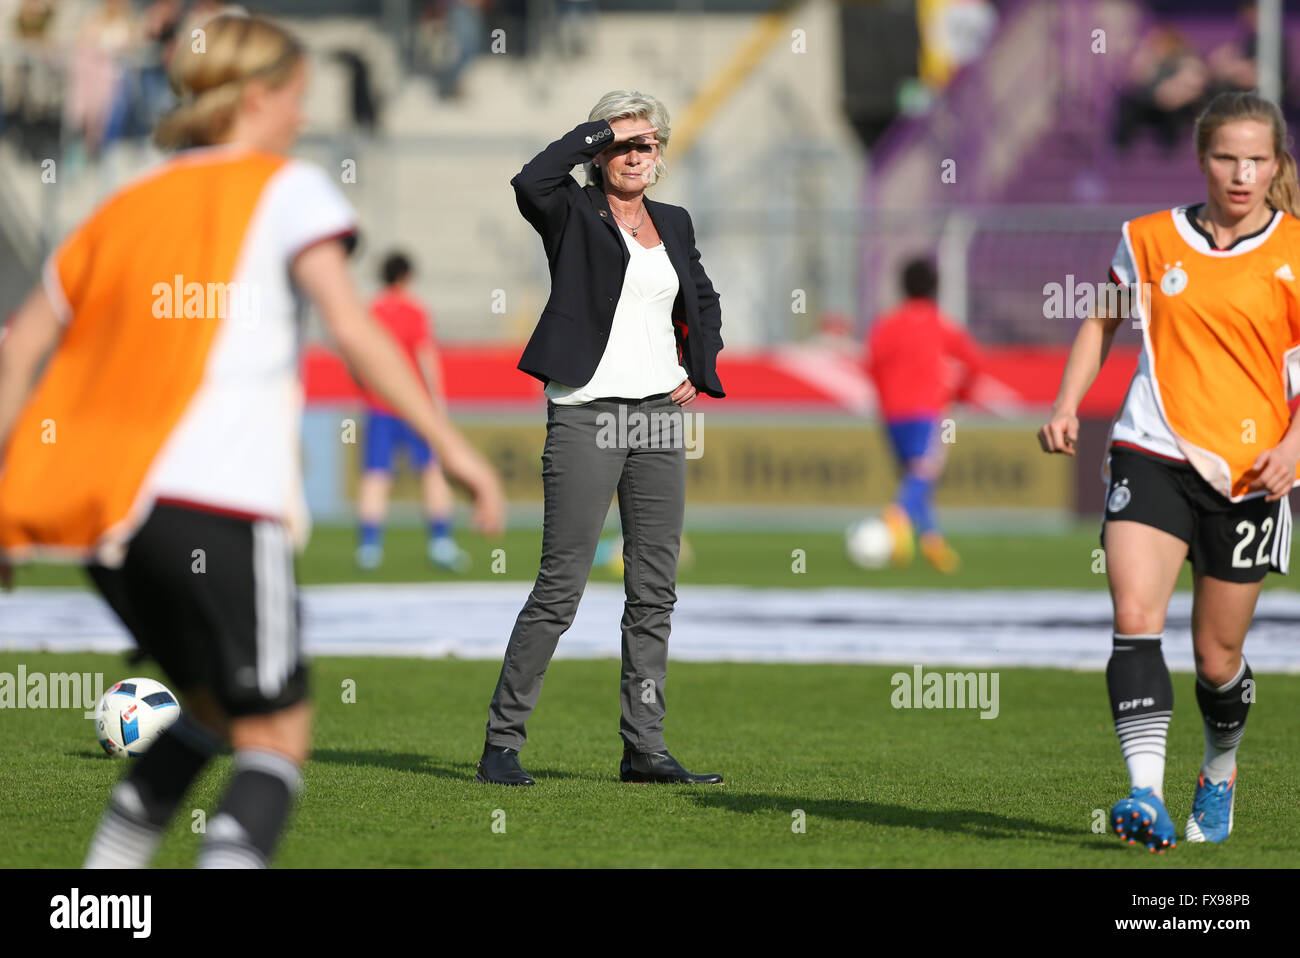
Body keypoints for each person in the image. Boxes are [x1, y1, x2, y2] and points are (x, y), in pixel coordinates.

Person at [0, 11, 503, 868]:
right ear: (260, 97)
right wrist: (447, 444)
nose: (303, 118)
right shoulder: (287, 187)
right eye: (298, 98)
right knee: (276, 737)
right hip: (217, 502)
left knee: (205, 709)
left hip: (105, 515)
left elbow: (20, 343)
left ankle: (99, 898)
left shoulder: (125, 201)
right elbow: (350, 327)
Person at [1038, 91, 1300, 852]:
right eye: (1227, 157)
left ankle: (1219, 767)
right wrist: (1066, 402)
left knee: (1218, 661)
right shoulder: (1148, 238)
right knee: (1134, 618)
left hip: (1253, 473)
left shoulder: (1295, 250)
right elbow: (1101, 316)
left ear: (1276, 163)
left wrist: (1293, 446)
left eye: (1257, 159)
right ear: (1202, 159)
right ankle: (1144, 795)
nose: (1242, 173)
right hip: (1151, 448)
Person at [477, 90, 725, 786]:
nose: (635, 156)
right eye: (622, 144)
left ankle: (644, 748)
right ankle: (501, 743)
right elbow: (531, 178)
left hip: (656, 416)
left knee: (655, 591)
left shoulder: (673, 221)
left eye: (647, 145)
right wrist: (601, 129)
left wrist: (699, 370)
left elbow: (701, 299)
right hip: (586, 411)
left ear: (661, 156)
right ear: (601, 151)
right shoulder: (570, 211)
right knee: (561, 587)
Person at [864, 257, 981, 573]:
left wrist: (885, 397)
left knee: (915, 476)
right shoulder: (940, 324)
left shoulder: (886, 325)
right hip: (928, 410)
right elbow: (973, 362)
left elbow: (871, 366)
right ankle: (897, 515)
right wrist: (961, 396)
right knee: (926, 471)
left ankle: (933, 544)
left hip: (892, 414)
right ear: (936, 288)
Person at [356, 251, 470, 572]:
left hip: (380, 404)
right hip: (415, 405)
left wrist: (366, 387)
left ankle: (369, 548)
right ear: (407, 277)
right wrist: (438, 403)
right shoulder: (414, 310)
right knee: (432, 472)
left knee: (376, 476)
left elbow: (358, 357)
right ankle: (441, 543)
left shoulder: (371, 311)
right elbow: (425, 357)